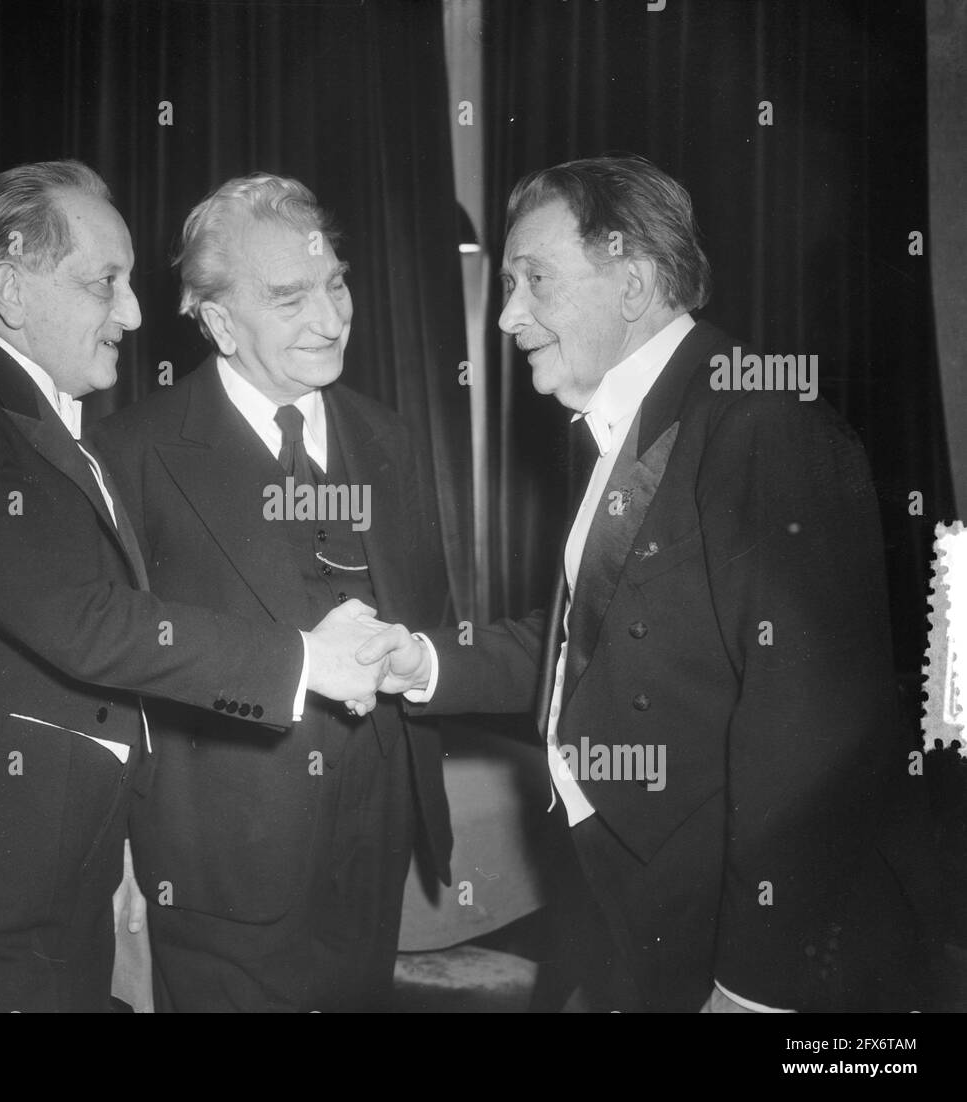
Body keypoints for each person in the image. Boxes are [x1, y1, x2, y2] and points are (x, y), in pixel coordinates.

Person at [0, 160, 390, 1012]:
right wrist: (306, 660)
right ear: (10, 288)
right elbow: (88, 622)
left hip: (33, 890)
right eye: (104, 282)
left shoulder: (26, 420)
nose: (136, 313)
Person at [362, 154, 932, 1012]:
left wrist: (753, 988)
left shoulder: (760, 419)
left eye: (534, 281)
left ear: (632, 283)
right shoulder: (625, 425)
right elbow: (592, 649)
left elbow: (818, 732)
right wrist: (425, 662)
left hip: (742, 937)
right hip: (630, 895)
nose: (509, 316)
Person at [98, 174, 453, 1012]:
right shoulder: (132, 452)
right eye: (291, 298)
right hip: (223, 858)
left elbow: (428, 614)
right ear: (219, 321)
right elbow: (114, 653)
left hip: (375, 838)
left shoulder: (389, 437)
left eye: (335, 284)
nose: (331, 319)